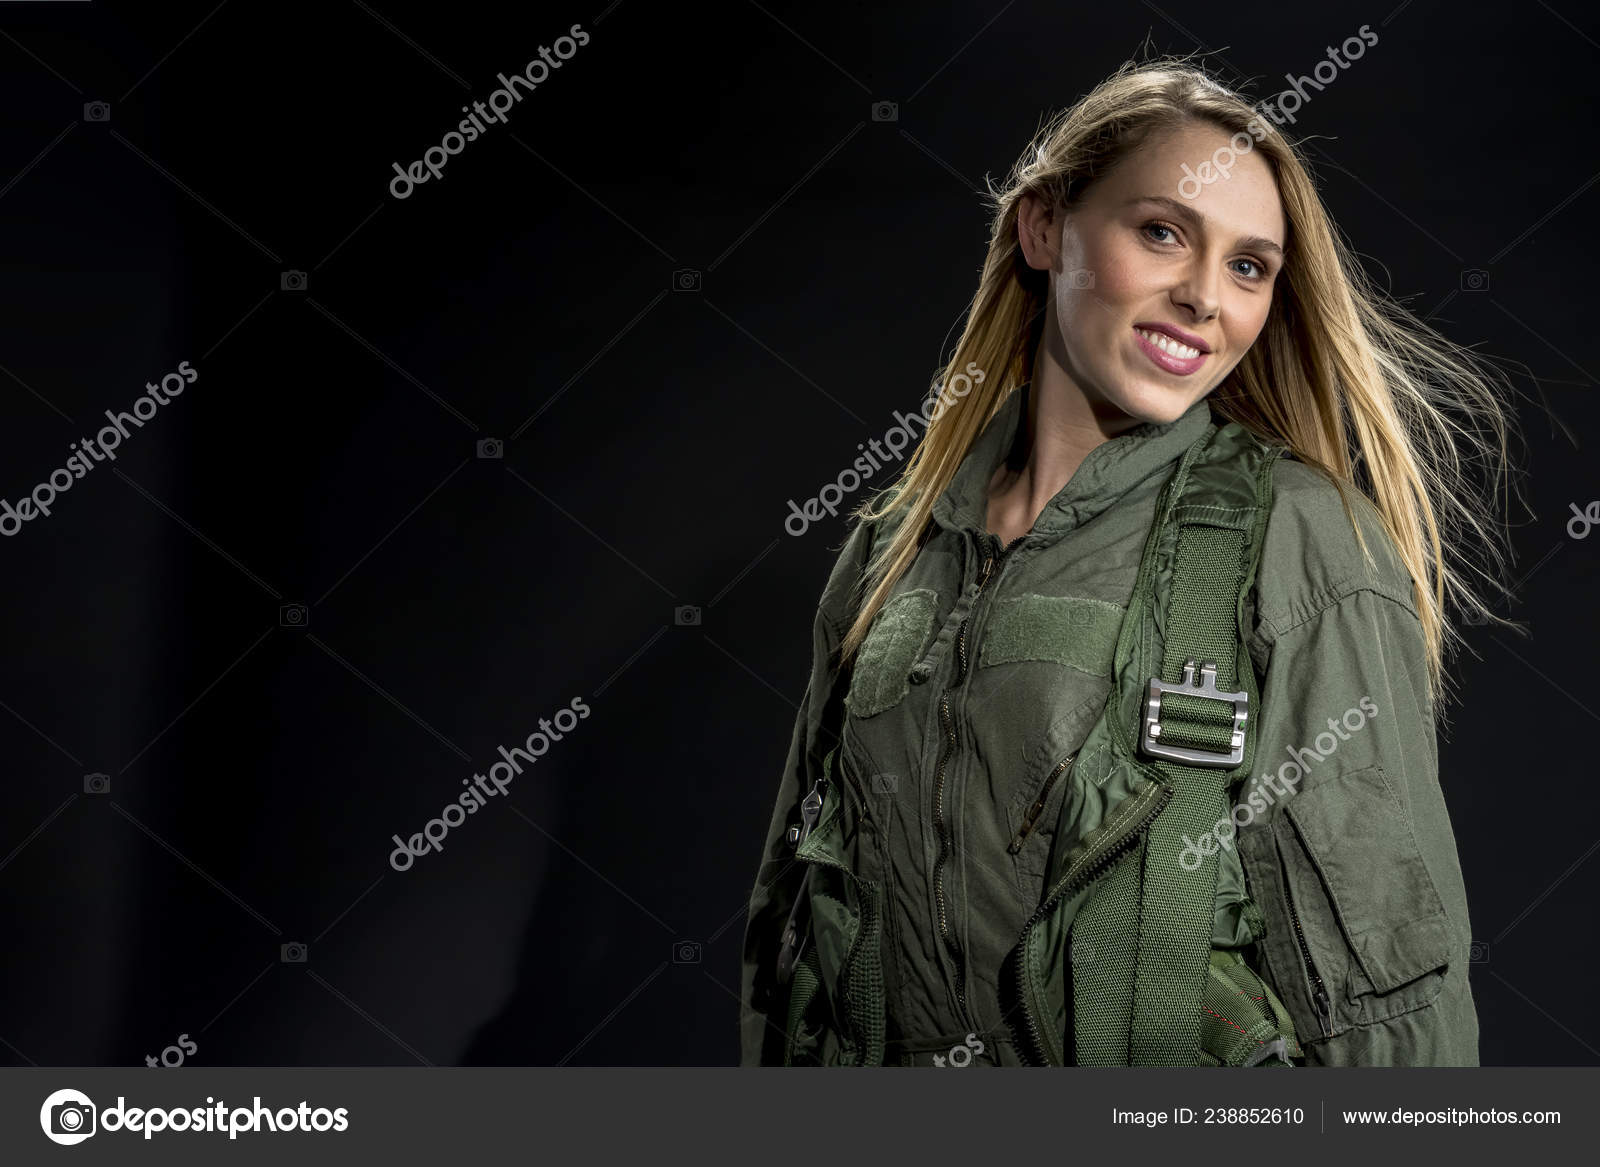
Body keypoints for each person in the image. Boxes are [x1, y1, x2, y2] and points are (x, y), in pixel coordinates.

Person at [739, 58, 1521, 1067]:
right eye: (1161, 233)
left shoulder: (1297, 535)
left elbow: (1387, 990)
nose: (1203, 296)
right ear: (1043, 228)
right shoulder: (893, 550)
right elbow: (785, 930)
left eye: (1248, 266)